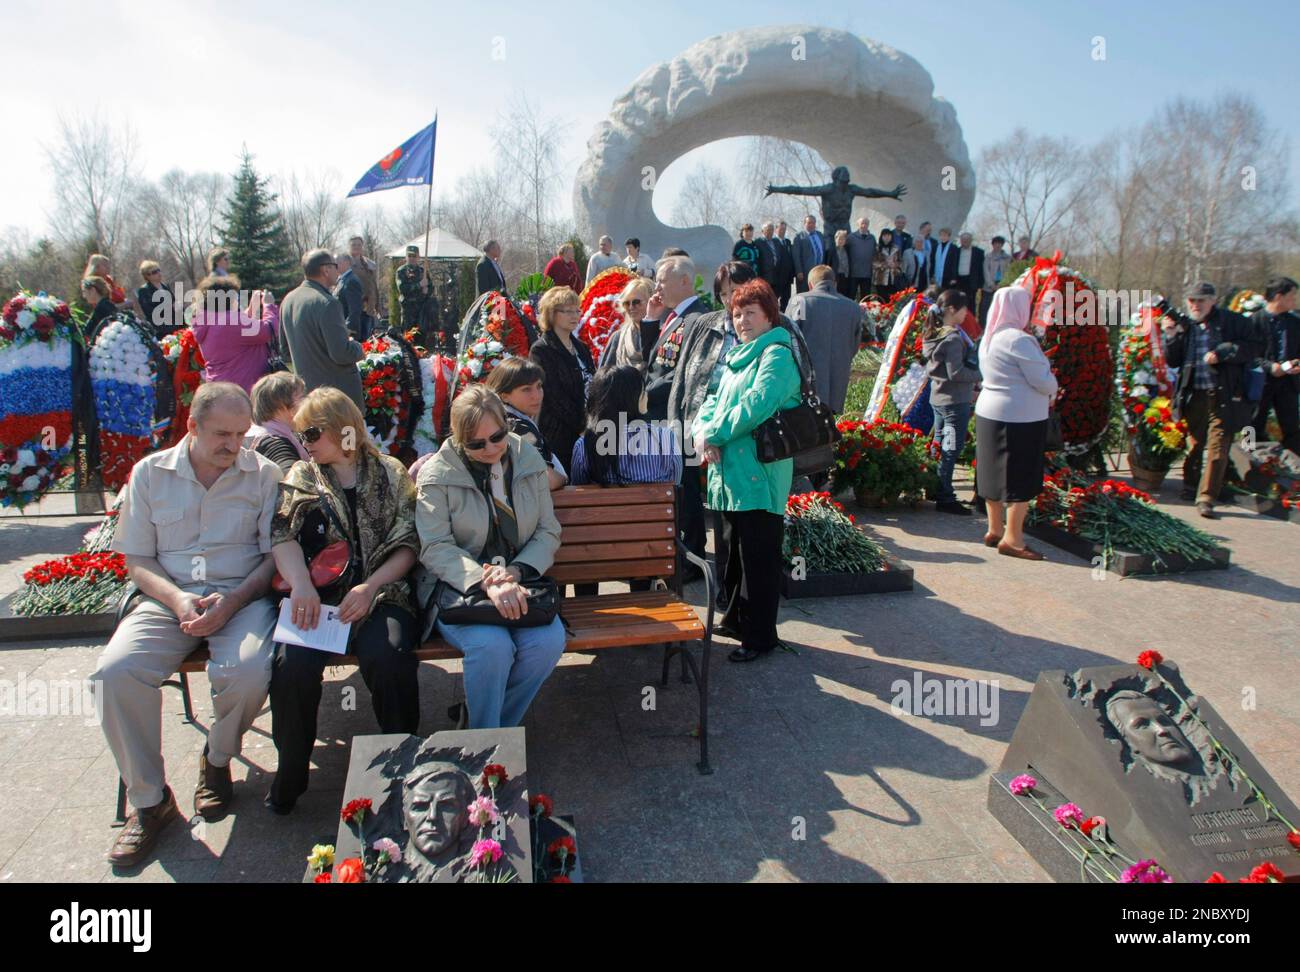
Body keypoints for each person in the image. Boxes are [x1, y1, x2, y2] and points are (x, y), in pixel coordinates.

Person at [92, 382, 282, 866]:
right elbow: (137, 560)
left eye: (242, 434)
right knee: (114, 674)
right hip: (167, 598)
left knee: (250, 670)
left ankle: (217, 761)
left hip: (240, 596)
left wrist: (234, 599)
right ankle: (150, 803)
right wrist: (178, 600)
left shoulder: (263, 474)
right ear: (192, 426)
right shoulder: (150, 474)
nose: (234, 446)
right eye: (222, 434)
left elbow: (272, 560)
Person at [266, 387, 421, 812]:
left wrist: (371, 588)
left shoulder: (389, 472)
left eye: (312, 433)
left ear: (342, 428)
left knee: (389, 657)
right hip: (319, 597)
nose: (305, 442)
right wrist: (299, 585)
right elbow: (283, 534)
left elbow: (408, 541)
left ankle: (405, 764)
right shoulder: (302, 475)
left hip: (382, 590)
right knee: (291, 666)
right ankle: (291, 773)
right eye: (301, 434)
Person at [415, 385, 566, 729]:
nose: (490, 448)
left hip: (520, 580)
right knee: (492, 648)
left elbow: (547, 530)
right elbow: (435, 546)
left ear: (506, 425)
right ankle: (487, 743)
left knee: (547, 642)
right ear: (458, 438)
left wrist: (513, 572)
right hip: (461, 588)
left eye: (497, 436)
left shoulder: (527, 459)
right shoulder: (437, 474)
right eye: (476, 444)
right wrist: (486, 581)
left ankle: (488, 728)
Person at [692, 279, 801, 662]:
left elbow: (757, 404)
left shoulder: (777, 355)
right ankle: (736, 618)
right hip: (728, 475)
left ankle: (760, 637)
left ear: (770, 315)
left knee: (759, 557)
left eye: (750, 313)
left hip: (759, 473)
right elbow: (711, 401)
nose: (741, 321)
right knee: (734, 554)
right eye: (737, 314)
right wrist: (703, 433)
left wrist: (715, 434)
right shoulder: (738, 357)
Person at [1163, 281, 1265, 517]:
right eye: (1192, 300)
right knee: (1195, 444)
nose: (1196, 305)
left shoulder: (1234, 322)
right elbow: (1173, 361)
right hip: (1194, 394)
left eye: (1201, 300)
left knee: (1218, 446)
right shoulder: (1186, 326)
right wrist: (1170, 336)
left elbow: (1254, 348)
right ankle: (1190, 486)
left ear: (1213, 300)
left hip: (1224, 394)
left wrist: (1223, 352)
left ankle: (1206, 497)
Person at [975, 287, 1058, 559]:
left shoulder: (989, 338)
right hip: (1021, 417)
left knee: (992, 472)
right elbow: (1042, 380)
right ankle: (1013, 539)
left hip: (990, 411)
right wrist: (1053, 384)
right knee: (1019, 476)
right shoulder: (1018, 340)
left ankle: (994, 528)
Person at [642, 254, 709, 574]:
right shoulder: (673, 317)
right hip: (663, 417)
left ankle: (692, 559)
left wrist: (642, 393)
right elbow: (654, 362)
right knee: (674, 488)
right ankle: (680, 553)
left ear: (685, 281)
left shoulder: (698, 318)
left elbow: (685, 374)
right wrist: (651, 321)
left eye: (662, 280)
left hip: (679, 418)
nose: (657, 287)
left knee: (686, 491)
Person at [278, 249, 366, 409]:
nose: (337, 270)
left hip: (307, 397)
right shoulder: (327, 303)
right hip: (337, 397)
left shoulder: (289, 300)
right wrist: (358, 347)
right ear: (325, 270)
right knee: (348, 435)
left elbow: (285, 351)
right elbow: (341, 353)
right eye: (335, 266)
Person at [571, 365, 681, 488]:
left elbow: (579, 488)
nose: (646, 396)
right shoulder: (666, 439)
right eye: (643, 392)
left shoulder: (584, 446)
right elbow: (675, 483)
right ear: (633, 400)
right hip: (657, 506)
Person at [922, 289, 980, 515]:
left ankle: (936, 488)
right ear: (953, 310)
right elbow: (956, 373)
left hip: (939, 397)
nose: (967, 313)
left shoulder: (936, 333)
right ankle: (945, 497)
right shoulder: (954, 338)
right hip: (954, 400)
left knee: (940, 445)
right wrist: (980, 375)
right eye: (964, 309)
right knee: (950, 448)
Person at [528, 286, 594, 472]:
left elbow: (592, 383)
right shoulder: (541, 350)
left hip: (586, 432)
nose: (574, 315)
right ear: (552, 314)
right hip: (558, 434)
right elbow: (553, 395)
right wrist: (582, 426)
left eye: (576, 310)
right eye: (567, 311)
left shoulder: (581, 347)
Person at [786, 264, 864, 413]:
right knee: (831, 424)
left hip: (805, 381)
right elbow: (854, 347)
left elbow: (788, 339)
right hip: (839, 377)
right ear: (835, 283)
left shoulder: (800, 301)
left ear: (810, 285)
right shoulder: (853, 307)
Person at [484, 356, 568, 490]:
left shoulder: (495, 419)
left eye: (539, 386)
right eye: (526, 389)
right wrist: (564, 478)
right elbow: (547, 480)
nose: (536, 395)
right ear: (504, 395)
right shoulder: (519, 427)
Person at [190, 273, 276, 393]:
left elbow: (235, 334)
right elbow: (268, 330)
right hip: (244, 389)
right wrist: (269, 306)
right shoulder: (230, 320)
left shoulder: (205, 320)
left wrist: (252, 308)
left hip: (220, 389)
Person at [1248, 276, 1300, 456]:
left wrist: (1296, 364)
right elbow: (1248, 355)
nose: (1294, 300)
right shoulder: (1254, 321)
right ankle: (1245, 469)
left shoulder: (1294, 322)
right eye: (1292, 296)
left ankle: (1295, 473)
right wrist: (1270, 367)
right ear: (1279, 296)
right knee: (1252, 425)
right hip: (1258, 383)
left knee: (1292, 428)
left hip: (1288, 383)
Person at [247, 371, 308, 473]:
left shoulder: (260, 431)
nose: (307, 403)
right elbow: (291, 478)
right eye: (302, 398)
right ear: (281, 405)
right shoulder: (273, 442)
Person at [599, 277, 654, 374]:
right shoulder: (618, 337)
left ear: (652, 301)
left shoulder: (663, 334)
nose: (631, 307)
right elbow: (603, 378)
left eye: (636, 302)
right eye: (626, 303)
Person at [136, 261, 178, 337]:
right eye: (154, 272)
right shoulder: (144, 291)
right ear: (147, 276)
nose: (159, 273)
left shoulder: (164, 286)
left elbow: (174, 302)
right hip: (162, 330)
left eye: (158, 270)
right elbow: (151, 314)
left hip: (176, 324)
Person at [347, 236, 380, 332]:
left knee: (368, 340)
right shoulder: (345, 264)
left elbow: (374, 285)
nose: (356, 247)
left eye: (359, 245)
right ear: (349, 246)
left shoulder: (368, 264)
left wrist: (377, 305)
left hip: (369, 308)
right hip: (353, 308)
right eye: (353, 245)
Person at [333, 253, 367, 340]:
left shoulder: (351, 281)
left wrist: (348, 329)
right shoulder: (342, 280)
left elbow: (355, 309)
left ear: (346, 262)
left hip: (348, 332)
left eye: (336, 263)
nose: (334, 266)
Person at [793, 215, 829, 294]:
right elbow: (796, 256)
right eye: (809, 223)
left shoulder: (820, 235)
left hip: (819, 273)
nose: (811, 225)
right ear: (804, 224)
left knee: (819, 294)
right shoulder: (799, 237)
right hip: (805, 273)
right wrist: (799, 271)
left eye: (813, 223)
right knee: (804, 294)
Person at [981, 236, 1012, 328]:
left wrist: (1002, 284)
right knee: (985, 307)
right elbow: (985, 270)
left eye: (999, 244)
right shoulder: (988, 256)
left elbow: (1008, 271)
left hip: (1002, 285)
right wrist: (991, 284)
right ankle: (983, 326)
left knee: (1001, 308)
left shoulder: (1007, 258)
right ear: (992, 245)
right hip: (989, 286)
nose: (997, 246)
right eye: (995, 243)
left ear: (1002, 245)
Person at [396, 245, 428, 329]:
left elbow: (430, 286)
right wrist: (419, 285)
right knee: (408, 337)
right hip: (408, 309)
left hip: (421, 308)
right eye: (409, 256)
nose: (412, 258)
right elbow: (402, 288)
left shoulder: (422, 271)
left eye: (414, 256)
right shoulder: (402, 271)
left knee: (421, 335)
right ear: (406, 257)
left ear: (418, 257)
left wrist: (427, 290)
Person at [847, 217, 876, 300]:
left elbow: (875, 253)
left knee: (866, 298)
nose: (864, 225)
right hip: (853, 273)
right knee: (851, 296)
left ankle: (864, 313)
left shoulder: (872, 238)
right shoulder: (851, 237)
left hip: (867, 273)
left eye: (866, 223)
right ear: (858, 224)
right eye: (862, 223)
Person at [82, 276, 117, 344]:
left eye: (84, 291)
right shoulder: (107, 305)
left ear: (93, 290)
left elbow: (88, 331)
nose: (84, 296)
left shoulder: (101, 308)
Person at [954, 232, 984, 312]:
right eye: (963, 240)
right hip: (959, 281)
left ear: (971, 240)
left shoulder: (978, 252)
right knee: (958, 302)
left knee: (970, 304)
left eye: (967, 240)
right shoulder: (956, 251)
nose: (965, 242)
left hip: (971, 281)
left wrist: (980, 284)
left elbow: (980, 269)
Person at [874, 229, 902, 298]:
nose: (887, 237)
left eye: (889, 235)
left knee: (892, 299)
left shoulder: (896, 248)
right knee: (882, 298)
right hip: (880, 278)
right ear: (881, 237)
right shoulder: (877, 248)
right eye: (885, 236)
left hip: (893, 277)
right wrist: (884, 265)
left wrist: (895, 265)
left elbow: (900, 262)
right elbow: (873, 262)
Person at [832, 229, 854, 297]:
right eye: (839, 239)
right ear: (835, 239)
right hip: (835, 277)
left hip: (845, 276)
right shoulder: (831, 251)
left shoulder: (847, 249)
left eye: (843, 239)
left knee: (845, 295)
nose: (841, 241)